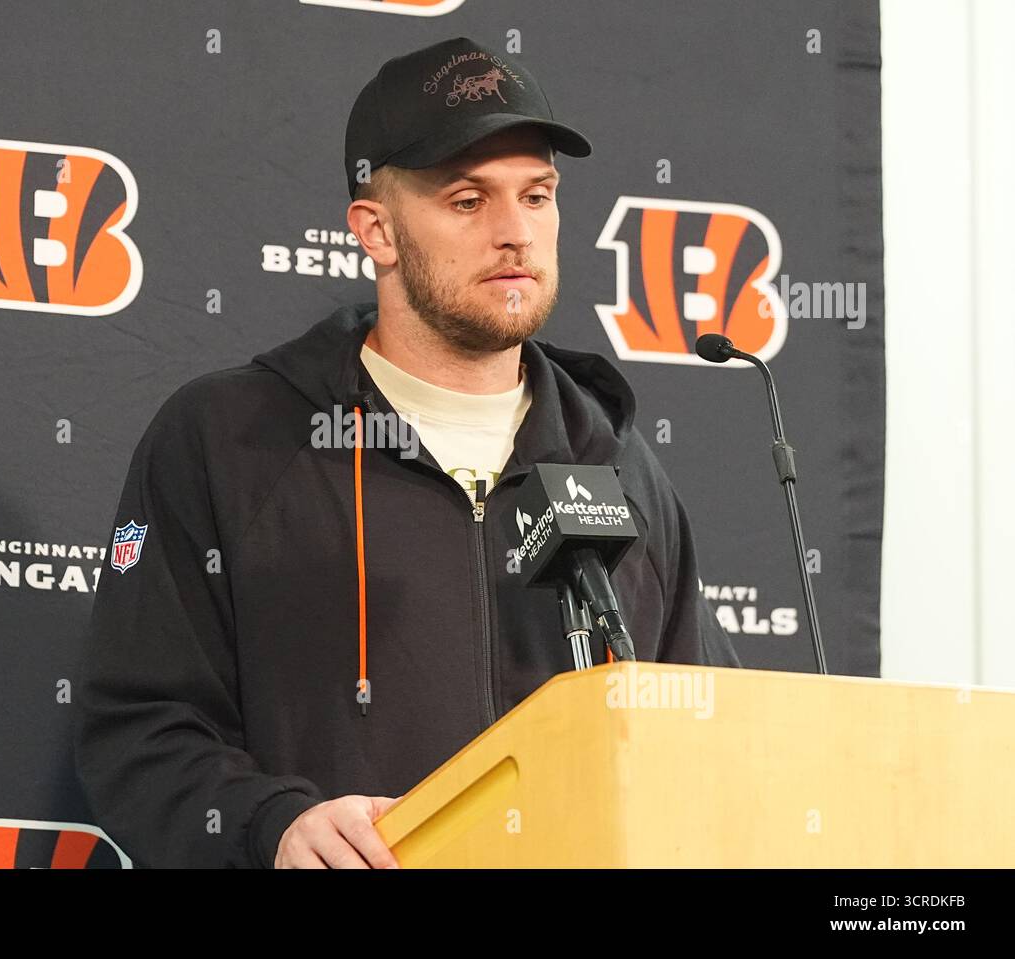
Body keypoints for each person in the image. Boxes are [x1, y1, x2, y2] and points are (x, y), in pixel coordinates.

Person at [74, 36, 740, 870]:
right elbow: (140, 728)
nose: (515, 234)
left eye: (537, 196)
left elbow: (701, 740)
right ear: (376, 230)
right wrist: (271, 824)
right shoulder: (231, 436)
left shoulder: (617, 460)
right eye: (468, 201)